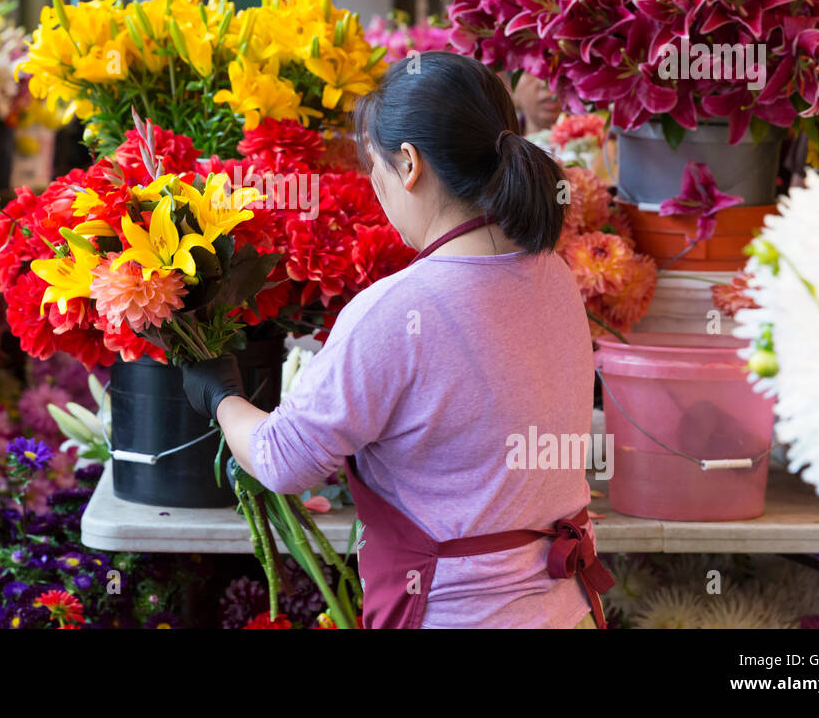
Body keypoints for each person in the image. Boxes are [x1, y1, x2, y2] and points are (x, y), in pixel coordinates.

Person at [181, 51, 612, 629]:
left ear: (408, 163)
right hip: (569, 612)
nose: (377, 189)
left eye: (375, 170)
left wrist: (221, 397)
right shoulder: (551, 273)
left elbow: (283, 461)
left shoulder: (398, 309)